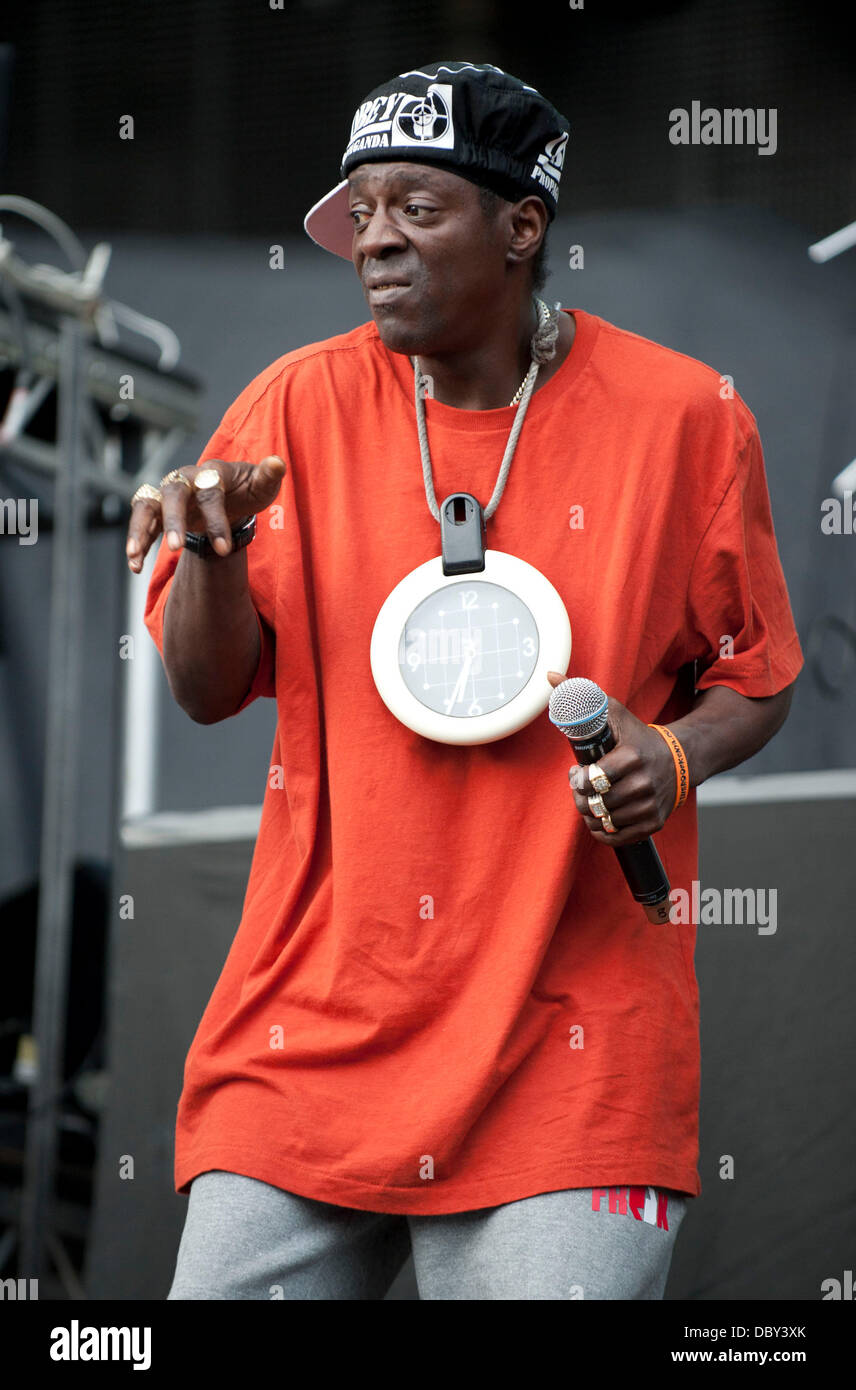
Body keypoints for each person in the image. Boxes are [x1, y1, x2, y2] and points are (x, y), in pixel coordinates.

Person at [126, 61, 803, 1301]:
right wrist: (213, 553)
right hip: (305, 1037)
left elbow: (757, 676)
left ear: (522, 226)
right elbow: (206, 689)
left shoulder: (684, 417)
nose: (374, 239)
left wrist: (676, 750)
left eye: (416, 208)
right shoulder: (291, 405)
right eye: (359, 213)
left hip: (572, 1048)